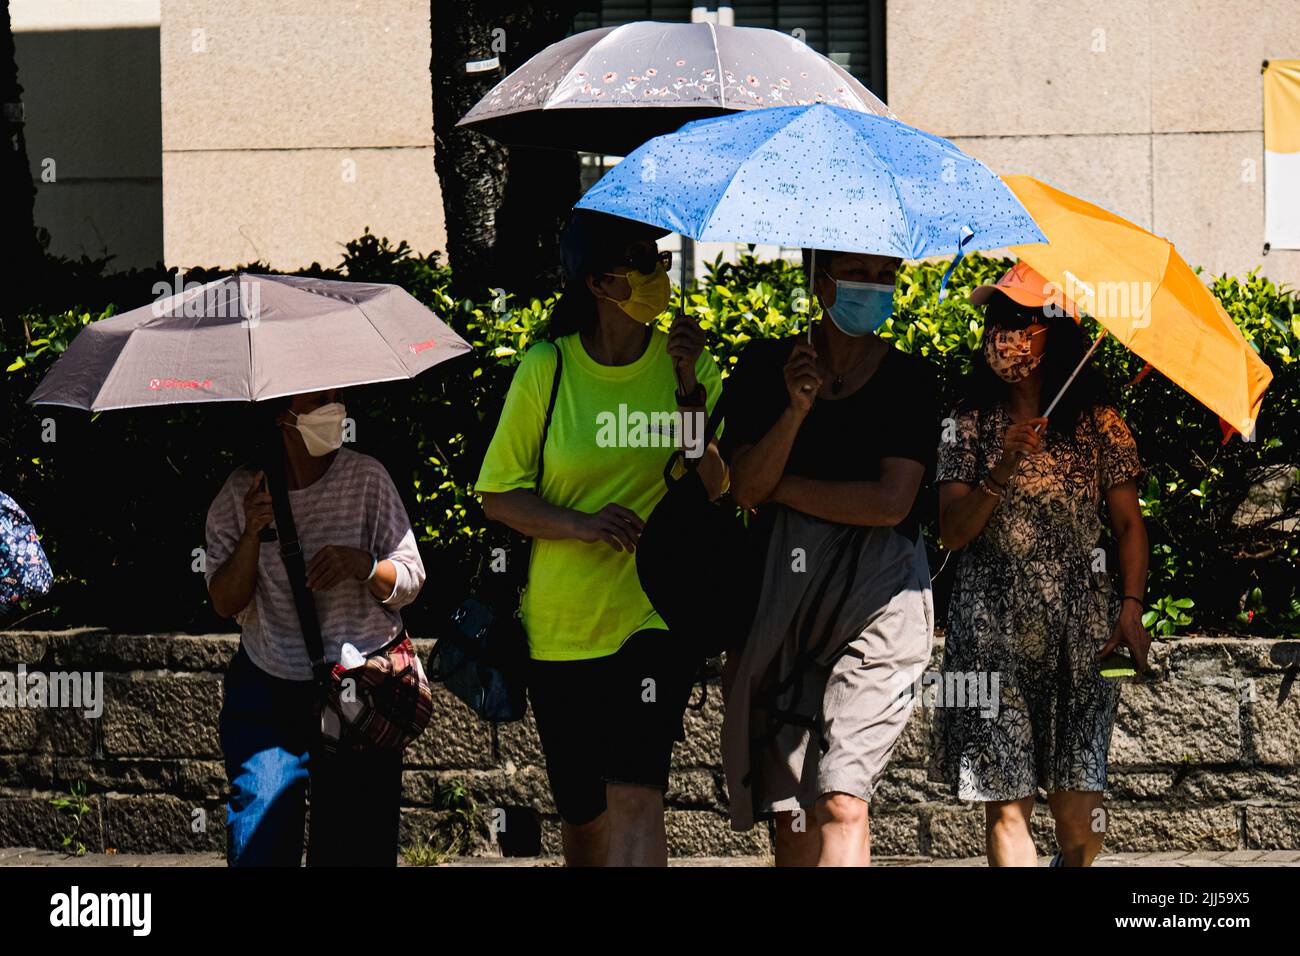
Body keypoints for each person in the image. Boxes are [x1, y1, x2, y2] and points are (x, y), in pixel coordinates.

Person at [475, 210, 725, 867]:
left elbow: (717, 482)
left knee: (638, 796)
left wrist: (687, 390)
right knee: (585, 818)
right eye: (644, 260)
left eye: (662, 259)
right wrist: (581, 525)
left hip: (654, 613)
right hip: (562, 630)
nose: (660, 274)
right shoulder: (547, 368)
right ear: (600, 281)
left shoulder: (692, 367)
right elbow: (499, 494)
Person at [719, 248, 936, 866]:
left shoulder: (910, 380)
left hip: (881, 601)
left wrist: (784, 489)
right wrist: (795, 410)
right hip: (784, 605)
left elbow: (892, 503)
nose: (877, 287)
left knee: (842, 795)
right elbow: (742, 485)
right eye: (860, 274)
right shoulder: (765, 367)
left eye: (887, 275)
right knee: (790, 819)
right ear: (821, 284)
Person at [932, 262, 1151, 867]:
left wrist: (1131, 607)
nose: (1007, 335)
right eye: (998, 319)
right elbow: (951, 533)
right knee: (1006, 805)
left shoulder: (1101, 425)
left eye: (1025, 320)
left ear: (1058, 331)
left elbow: (1130, 525)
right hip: (989, 635)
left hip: (1081, 636)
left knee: (1080, 819)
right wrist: (999, 470)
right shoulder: (965, 423)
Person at [205, 388, 425, 866]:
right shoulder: (241, 495)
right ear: (282, 413)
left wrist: (362, 565)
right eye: (320, 398)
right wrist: (250, 533)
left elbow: (411, 580)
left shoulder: (367, 479)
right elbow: (224, 601)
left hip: (359, 688)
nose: (336, 407)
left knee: (355, 848)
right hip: (270, 690)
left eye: (339, 395)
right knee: (259, 839)